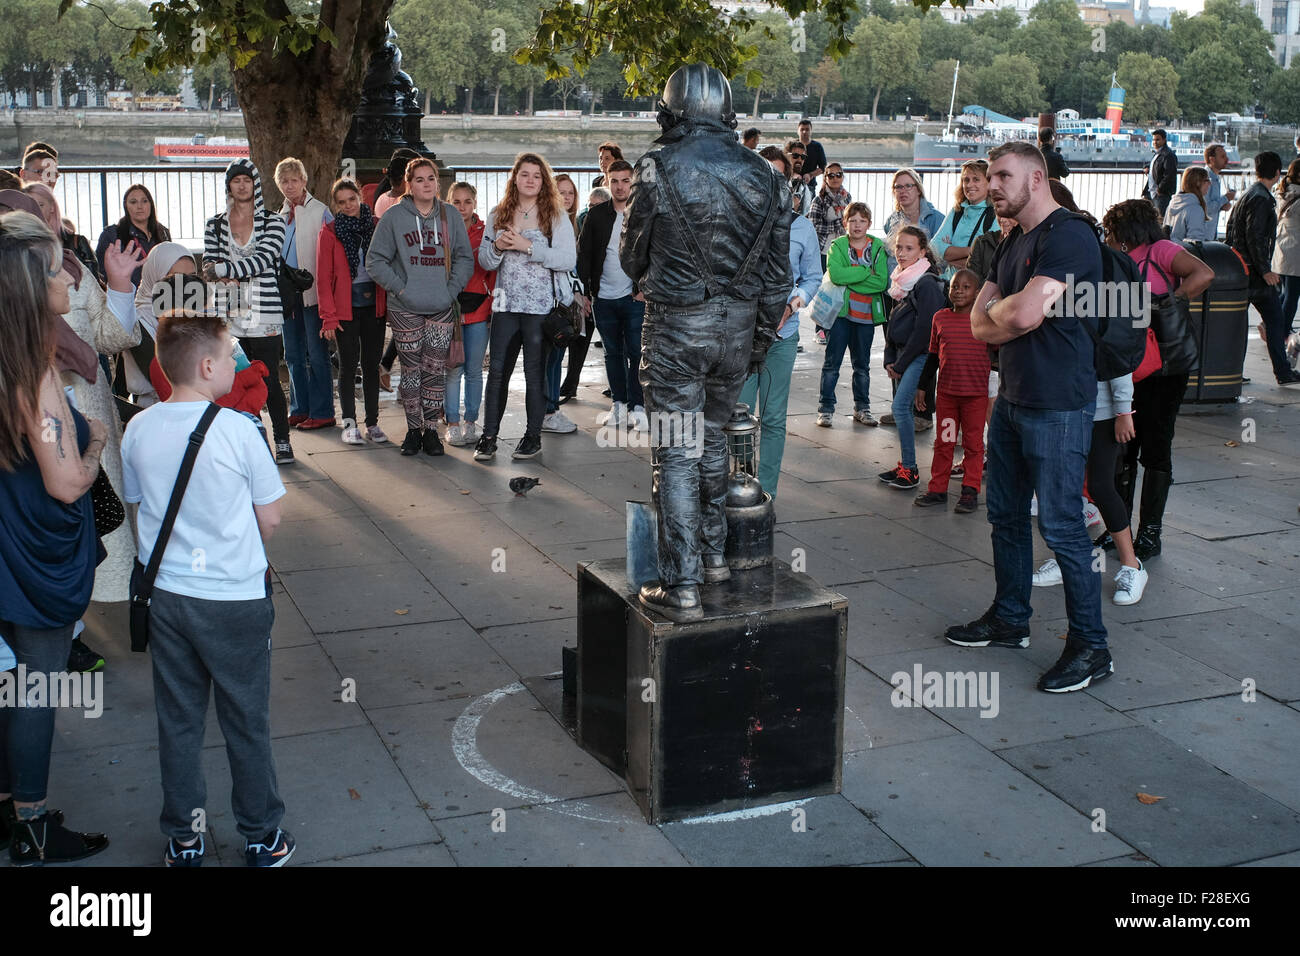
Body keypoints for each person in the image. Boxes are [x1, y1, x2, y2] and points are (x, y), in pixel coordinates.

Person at [121, 310, 294, 868]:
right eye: (230, 354)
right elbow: (270, 518)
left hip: (166, 596)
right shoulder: (240, 430)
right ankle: (261, 835)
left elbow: (138, 504)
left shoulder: (138, 428)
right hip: (234, 599)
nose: (238, 360)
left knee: (178, 719)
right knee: (246, 718)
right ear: (205, 366)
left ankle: (184, 838)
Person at [622, 63, 791, 621]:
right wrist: (761, 339)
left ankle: (683, 585)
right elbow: (778, 277)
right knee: (714, 437)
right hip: (738, 328)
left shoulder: (656, 166)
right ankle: (715, 557)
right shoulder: (767, 175)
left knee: (675, 451)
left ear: (670, 111)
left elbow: (630, 258)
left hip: (676, 327)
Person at [947, 140, 1110, 695]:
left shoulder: (1068, 235)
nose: (992, 186)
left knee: (1063, 527)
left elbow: (1017, 312)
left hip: (1059, 403)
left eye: (1002, 176)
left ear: (1036, 179)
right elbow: (978, 321)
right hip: (1014, 398)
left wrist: (1003, 318)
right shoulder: (1014, 240)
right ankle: (1011, 619)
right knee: (1007, 517)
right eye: (989, 176)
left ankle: (1092, 646)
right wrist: (1003, 318)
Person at [0, 208, 110, 865]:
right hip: (35, 555)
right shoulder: (32, 374)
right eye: (54, 268)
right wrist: (93, 441)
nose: (69, 274)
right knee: (37, 689)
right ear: (27, 289)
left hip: (8, 544)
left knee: (9, 686)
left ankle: (9, 808)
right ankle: (34, 827)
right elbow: (68, 482)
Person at [18, 185, 144, 615]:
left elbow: (112, 336)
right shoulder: (15, 287)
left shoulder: (72, 270)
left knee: (96, 521)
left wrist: (121, 284)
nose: (47, 215)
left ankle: (76, 611)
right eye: (36, 208)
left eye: (51, 207)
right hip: (32, 426)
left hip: (89, 414)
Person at [1104, 199, 1214, 562]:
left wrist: (1170, 301)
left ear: (1126, 228)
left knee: (1155, 445)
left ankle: (1150, 532)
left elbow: (1204, 274)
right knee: (1122, 449)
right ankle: (1118, 527)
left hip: (1164, 366)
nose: (1108, 235)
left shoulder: (1162, 249)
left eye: (1111, 228)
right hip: (1128, 362)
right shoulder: (1116, 256)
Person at [366, 157, 474, 457]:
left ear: (437, 183)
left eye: (431, 179)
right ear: (408, 184)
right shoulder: (394, 217)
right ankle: (414, 430)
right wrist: (401, 288)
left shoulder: (449, 215)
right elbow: (374, 261)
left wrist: (450, 290)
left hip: (440, 306)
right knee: (411, 370)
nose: (426, 184)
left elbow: (465, 258)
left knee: (435, 371)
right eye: (419, 180)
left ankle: (431, 432)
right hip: (405, 307)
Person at [475, 152, 577, 461]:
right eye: (524, 174)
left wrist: (528, 247)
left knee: (535, 374)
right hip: (505, 305)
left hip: (540, 307)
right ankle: (488, 436)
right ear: (515, 178)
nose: (530, 180)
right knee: (496, 373)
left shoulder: (555, 217)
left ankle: (532, 437)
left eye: (536, 175)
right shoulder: (497, 214)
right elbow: (484, 260)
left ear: (543, 180)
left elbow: (567, 260)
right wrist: (498, 246)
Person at [737, 146, 821, 498]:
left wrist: (794, 302)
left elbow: (813, 276)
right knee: (738, 418)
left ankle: (765, 492)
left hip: (782, 336)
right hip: (741, 336)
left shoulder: (802, 228)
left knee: (772, 419)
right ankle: (739, 484)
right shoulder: (738, 224)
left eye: (778, 175)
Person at [202, 159, 294, 462]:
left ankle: (282, 439)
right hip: (229, 313)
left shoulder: (273, 221)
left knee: (269, 379)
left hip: (264, 311)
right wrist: (221, 270)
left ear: (255, 183)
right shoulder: (215, 224)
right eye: (235, 180)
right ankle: (242, 441)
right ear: (228, 184)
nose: (241, 185)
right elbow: (207, 266)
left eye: (246, 180)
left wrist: (225, 269)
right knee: (232, 379)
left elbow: (264, 260)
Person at [577, 159, 646, 430]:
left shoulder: (643, 214)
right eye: (614, 180)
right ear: (607, 182)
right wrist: (584, 292)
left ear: (634, 182)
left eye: (625, 180)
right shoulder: (595, 216)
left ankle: (638, 407)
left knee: (637, 353)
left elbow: (657, 254)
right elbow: (584, 256)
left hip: (634, 298)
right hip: (603, 298)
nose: (619, 186)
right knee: (612, 353)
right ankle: (618, 404)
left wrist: (646, 290)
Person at [316, 178, 386, 445]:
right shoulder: (330, 232)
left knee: (371, 365)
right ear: (336, 204)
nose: (348, 206)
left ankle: (372, 422)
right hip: (345, 308)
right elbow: (323, 278)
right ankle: (348, 422)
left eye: (352, 199)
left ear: (360, 197)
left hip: (374, 306)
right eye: (342, 202)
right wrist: (328, 317)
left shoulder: (377, 226)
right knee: (347, 366)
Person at [913, 268, 988, 513]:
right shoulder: (940, 318)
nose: (959, 291)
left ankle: (970, 491)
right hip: (947, 396)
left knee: (974, 444)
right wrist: (923, 386)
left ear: (977, 292)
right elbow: (933, 355)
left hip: (976, 396)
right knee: (944, 442)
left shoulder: (984, 320)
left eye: (966, 287)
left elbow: (999, 354)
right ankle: (937, 489)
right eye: (955, 286)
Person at [879, 227, 945, 491]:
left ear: (922, 251)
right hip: (903, 354)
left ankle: (911, 468)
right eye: (899, 248)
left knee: (899, 409)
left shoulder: (926, 283)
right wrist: (889, 356)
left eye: (909, 249)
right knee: (902, 409)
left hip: (916, 355)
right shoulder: (903, 280)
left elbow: (926, 330)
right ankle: (906, 464)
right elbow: (894, 320)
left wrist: (902, 363)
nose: (902, 253)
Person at [1226, 151, 1300, 385]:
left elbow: (1233, 230)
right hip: (1255, 274)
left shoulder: (1251, 194)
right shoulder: (1260, 198)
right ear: (1278, 172)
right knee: (1276, 320)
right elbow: (1255, 236)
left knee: (1243, 324)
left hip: (1244, 269)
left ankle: (1234, 371)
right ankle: (1283, 372)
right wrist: (1265, 270)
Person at [275, 158, 335, 431]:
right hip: (288, 295)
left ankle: (322, 410)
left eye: (294, 180)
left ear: (304, 181)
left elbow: (332, 253)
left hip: (313, 294)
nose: (290, 186)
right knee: (293, 354)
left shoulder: (319, 211)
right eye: (284, 181)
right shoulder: (279, 216)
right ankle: (300, 407)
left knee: (316, 353)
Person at [817, 201, 888, 428]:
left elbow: (881, 282)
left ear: (869, 223)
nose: (857, 225)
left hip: (866, 317)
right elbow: (836, 275)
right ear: (845, 222)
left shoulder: (877, 247)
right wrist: (864, 271)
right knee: (832, 364)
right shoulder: (837, 246)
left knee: (862, 365)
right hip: (840, 315)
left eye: (862, 221)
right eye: (853, 220)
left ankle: (862, 407)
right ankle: (825, 409)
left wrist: (853, 278)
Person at [442, 181, 495, 446]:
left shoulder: (485, 233)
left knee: (474, 370)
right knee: (453, 369)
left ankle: (471, 421)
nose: (462, 207)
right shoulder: (441, 232)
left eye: (467, 202)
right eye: (456, 202)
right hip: (449, 310)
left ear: (475, 203)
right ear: (448, 203)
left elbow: (493, 270)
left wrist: (494, 300)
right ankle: (452, 422)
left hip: (478, 309)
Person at [539, 173, 585, 434]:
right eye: (561, 192)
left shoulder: (570, 223)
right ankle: (547, 411)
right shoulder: (550, 225)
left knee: (558, 356)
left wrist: (580, 297)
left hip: (568, 302)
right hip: (551, 303)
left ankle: (552, 408)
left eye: (570, 193)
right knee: (549, 359)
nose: (566, 197)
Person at [128, 242, 198, 409]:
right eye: (176, 278)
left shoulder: (197, 311)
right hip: (157, 407)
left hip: (198, 403)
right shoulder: (139, 320)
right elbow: (163, 377)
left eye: (192, 276)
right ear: (156, 277)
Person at [930, 159, 1000, 280]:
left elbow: (988, 257)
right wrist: (973, 251)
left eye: (976, 179)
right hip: (949, 282)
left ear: (989, 183)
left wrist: (950, 253)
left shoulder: (995, 214)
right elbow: (935, 247)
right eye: (966, 180)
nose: (969, 185)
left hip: (976, 286)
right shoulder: (957, 211)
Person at [95, 184, 171, 287]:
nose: (139, 206)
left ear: (151, 205)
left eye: (144, 201)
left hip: (159, 295)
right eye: (133, 202)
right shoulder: (112, 234)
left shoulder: (163, 232)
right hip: (127, 295)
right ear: (126, 206)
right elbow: (102, 272)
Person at [1274, 159, 1300, 336]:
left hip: (1281, 249)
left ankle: (1272, 324)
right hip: (1296, 252)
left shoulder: (1281, 192)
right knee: (1291, 296)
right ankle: (1280, 331)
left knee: (1285, 293)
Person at [809, 162, 852, 265]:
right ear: (825, 178)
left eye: (838, 175)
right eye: (831, 175)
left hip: (843, 246)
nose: (835, 178)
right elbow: (813, 226)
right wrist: (838, 224)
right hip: (823, 249)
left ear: (842, 177)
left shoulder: (847, 197)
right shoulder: (819, 200)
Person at [1164, 167, 1217, 242]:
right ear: (1198, 183)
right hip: (1184, 252)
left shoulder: (1173, 204)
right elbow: (1195, 242)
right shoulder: (1195, 209)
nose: (1210, 183)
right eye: (1207, 180)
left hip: (1171, 250)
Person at [1143, 129, 1178, 216]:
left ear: (1164, 140)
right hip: (1152, 193)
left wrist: (1160, 188)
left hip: (1161, 194)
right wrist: (1147, 167)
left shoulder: (1168, 155)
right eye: (1153, 140)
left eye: (1158, 140)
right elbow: (1155, 164)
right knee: (1151, 219)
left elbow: (1169, 174)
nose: (1155, 142)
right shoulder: (1159, 153)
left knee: (1161, 219)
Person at [1203, 143, 1237, 235]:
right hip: (1203, 234)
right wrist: (1226, 198)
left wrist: (1221, 206)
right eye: (1222, 157)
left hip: (1210, 232)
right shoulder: (1205, 178)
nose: (1227, 159)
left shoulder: (1215, 177)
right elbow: (1206, 208)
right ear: (1212, 159)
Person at [785, 140, 814, 219]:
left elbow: (805, 214)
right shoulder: (778, 180)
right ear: (786, 156)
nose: (799, 160)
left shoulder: (802, 185)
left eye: (803, 157)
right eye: (795, 156)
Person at [796, 118, 827, 193]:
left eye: (807, 129)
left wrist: (810, 175)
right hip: (793, 185)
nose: (804, 132)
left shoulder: (817, 146)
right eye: (802, 129)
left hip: (810, 186)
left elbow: (823, 167)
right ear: (798, 131)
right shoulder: (792, 146)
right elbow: (786, 165)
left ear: (811, 131)